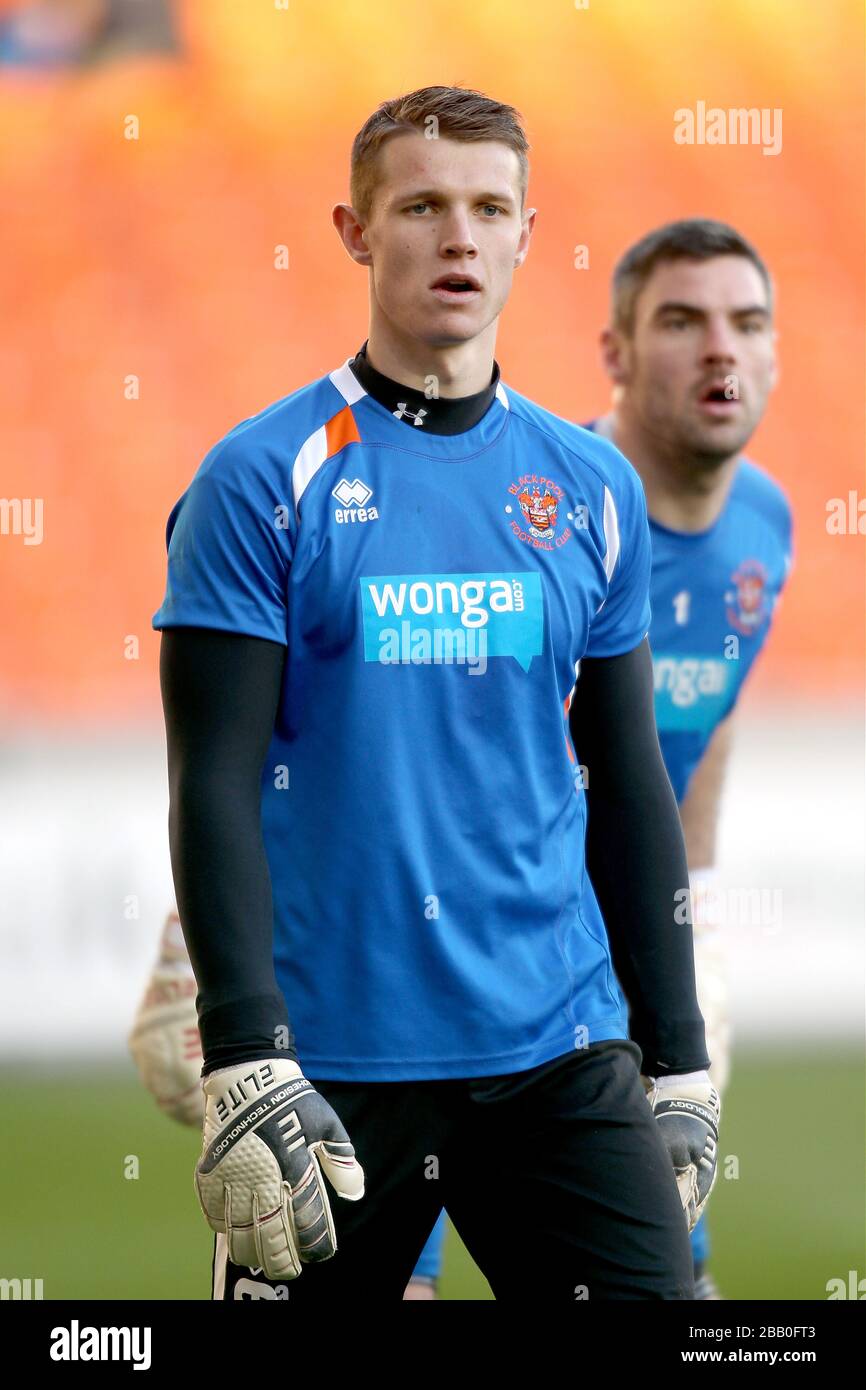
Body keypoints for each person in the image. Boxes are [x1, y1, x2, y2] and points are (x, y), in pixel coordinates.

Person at [144, 85, 720, 1302]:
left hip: (557, 1058)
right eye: (419, 206)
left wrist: (676, 1060)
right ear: (356, 231)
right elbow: (213, 780)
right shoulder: (261, 480)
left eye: (485, 208)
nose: (457, 236)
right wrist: (246, 1053)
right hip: (331, 1074)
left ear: (522, 232)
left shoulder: (592, 489)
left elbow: (624, 785)